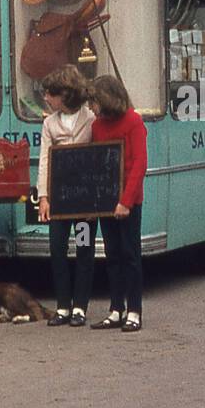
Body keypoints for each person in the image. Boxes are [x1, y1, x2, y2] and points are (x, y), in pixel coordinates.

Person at [36, 65, 97, 327]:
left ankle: (80, 306)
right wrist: (44, 197)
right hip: (60, 198)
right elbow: (44, 160)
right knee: (57, 248)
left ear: (66, 94)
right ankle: (63, 305)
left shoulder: (91, 118)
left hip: (83, 200)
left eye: (51, 94)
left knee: (84, 248)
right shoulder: (49, 123)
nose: (46, 98)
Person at [87, 75, 147, 333]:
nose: (91, 106)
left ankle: (134, 310)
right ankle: (116, 308)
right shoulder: (98, 126)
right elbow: (95, 164)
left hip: (128, 201)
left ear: (106, 99)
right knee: (112, 256)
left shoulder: (134, 121)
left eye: (94, 101)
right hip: (106, 200)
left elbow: (138, 165)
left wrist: (125, 202)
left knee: (130, 255)